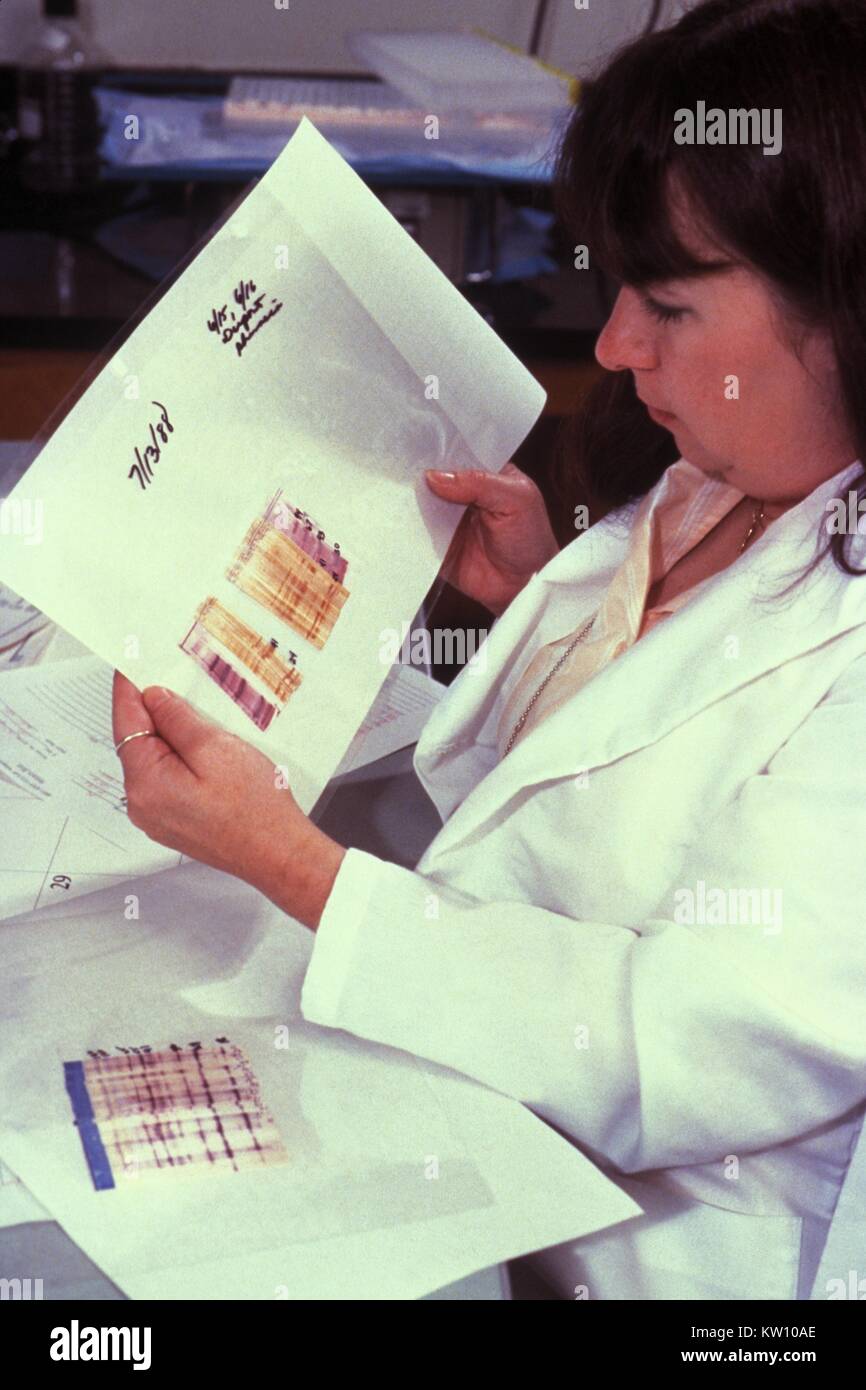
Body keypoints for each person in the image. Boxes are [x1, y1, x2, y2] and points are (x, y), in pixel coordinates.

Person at [112, 0, 866, 1300]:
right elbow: (599, 788)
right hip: (474, 1128)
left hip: (642, 1252)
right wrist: (529, 610)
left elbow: (680, 1042)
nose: (616, 345)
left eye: (669, 304)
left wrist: (300, 869)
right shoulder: (714, 479)